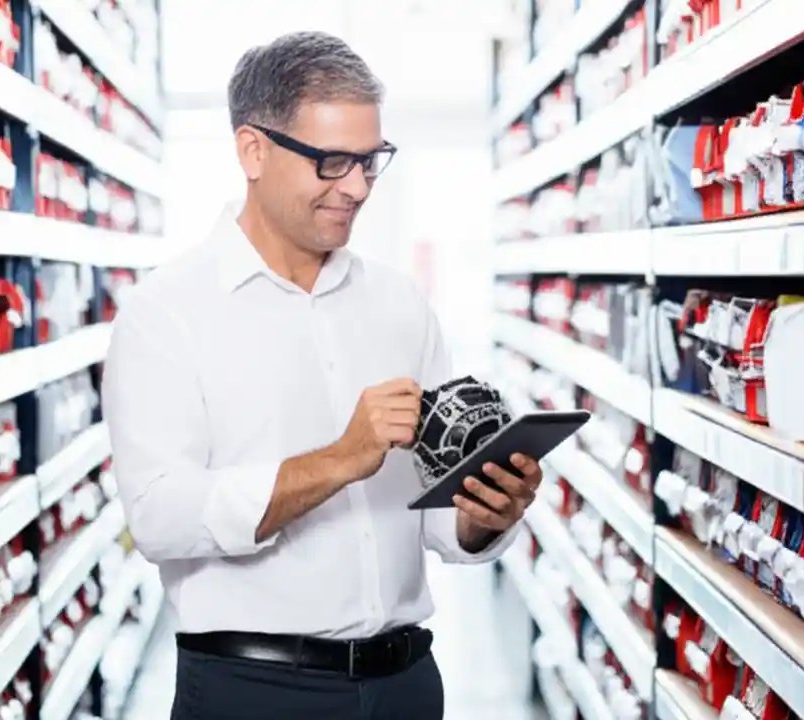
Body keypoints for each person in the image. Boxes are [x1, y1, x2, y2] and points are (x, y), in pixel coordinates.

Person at [102, 31, 542, 720]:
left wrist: (485, 516)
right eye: (332, 162)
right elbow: (159, 516)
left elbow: (435, 522)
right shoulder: (165, 314)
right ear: (253, 150)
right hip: (254, 695)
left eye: (371, 161)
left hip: (407, 684)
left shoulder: (400, 306)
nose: (358, 187)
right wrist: (339, 459)